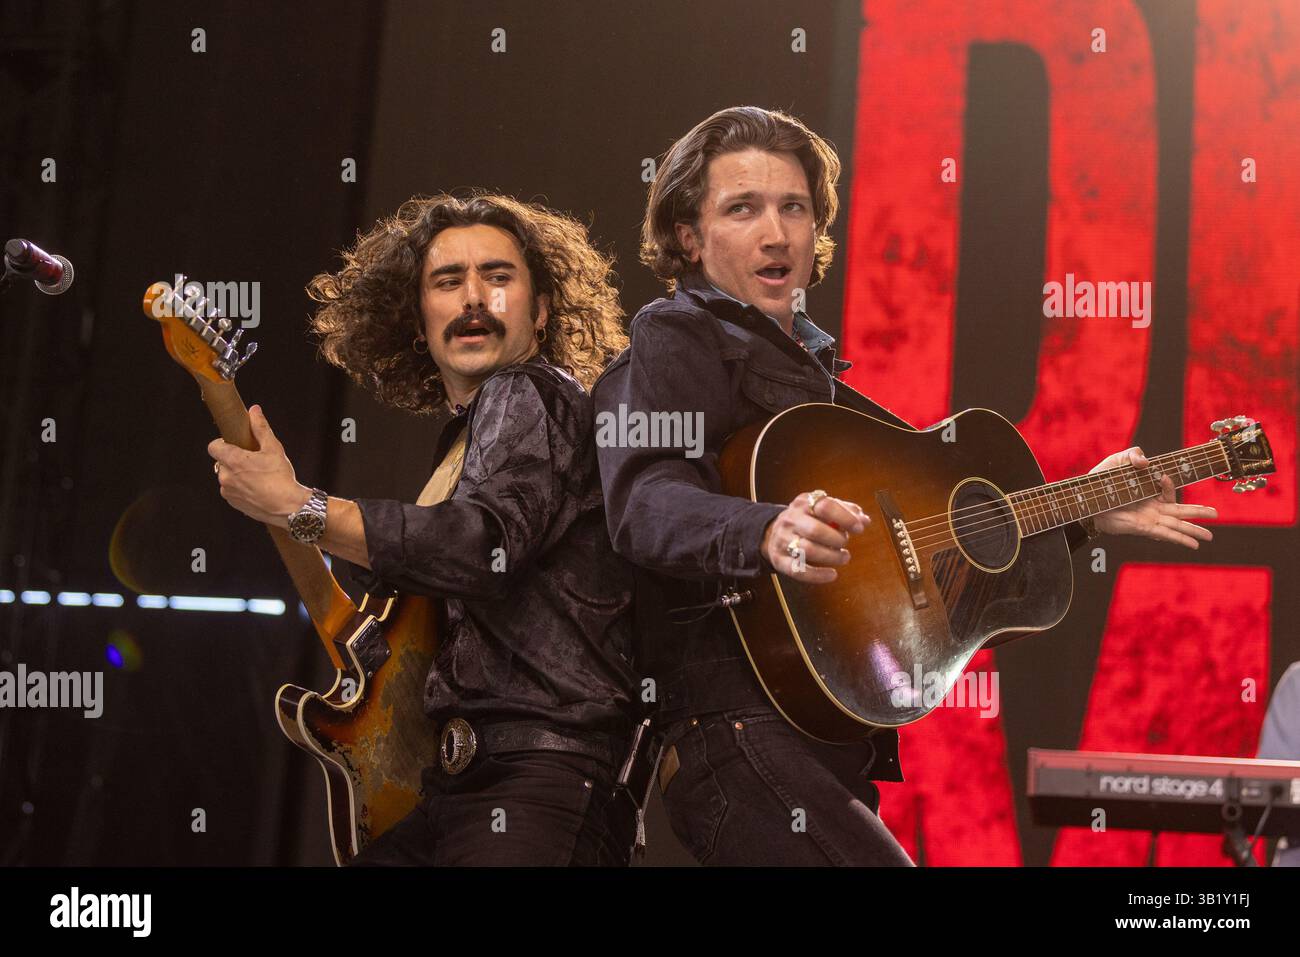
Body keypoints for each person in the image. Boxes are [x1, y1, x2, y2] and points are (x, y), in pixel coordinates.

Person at [594, 105, 1219, 865]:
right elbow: (643, 501)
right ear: (689, 238)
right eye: (742, 208)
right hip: (734, 736)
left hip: (821, 748)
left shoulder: (818, 386)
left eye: (793, 207)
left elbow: (930, 540)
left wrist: (1084, 509)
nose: (776, 232)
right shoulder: (674, 338)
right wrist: (763, 528)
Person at [208, 192, 643, 865]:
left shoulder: (529, 392)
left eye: (499, 277)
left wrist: (305, 506)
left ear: (544, 308)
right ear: (417, 321)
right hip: (457, 787)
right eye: (447, 281)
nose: (474, 297)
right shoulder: (463, 448)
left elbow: (483, 545)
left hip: (537, 780)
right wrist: (291, 503)